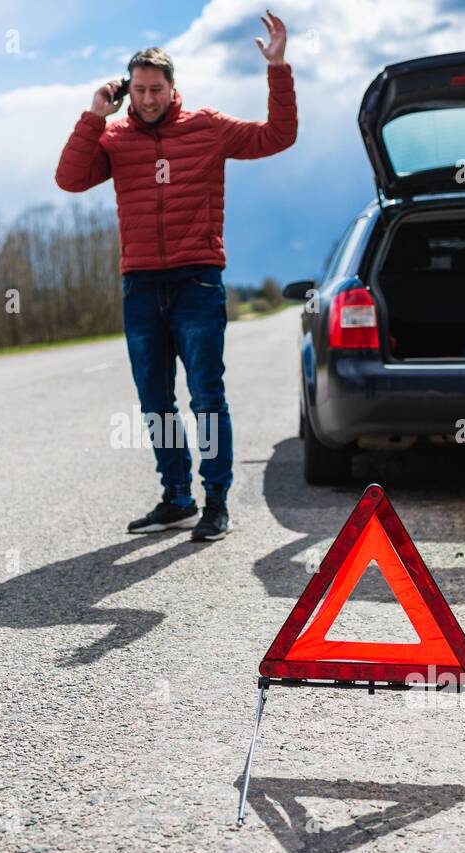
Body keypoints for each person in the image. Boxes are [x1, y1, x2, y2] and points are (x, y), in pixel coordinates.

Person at [55, 10, 296, 542]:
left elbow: (278, 136)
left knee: (207, 397)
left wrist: (277, 69)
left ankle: (215, 503)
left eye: (155, 88)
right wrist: (94, 115)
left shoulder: (207, 127)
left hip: (197, 282)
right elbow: (69, 179)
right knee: (156, 403)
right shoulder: (115, 138)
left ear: (172, 87)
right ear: (126, 90)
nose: (146, 98)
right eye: (137, 89)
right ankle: (176, 497)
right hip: (140, 286)